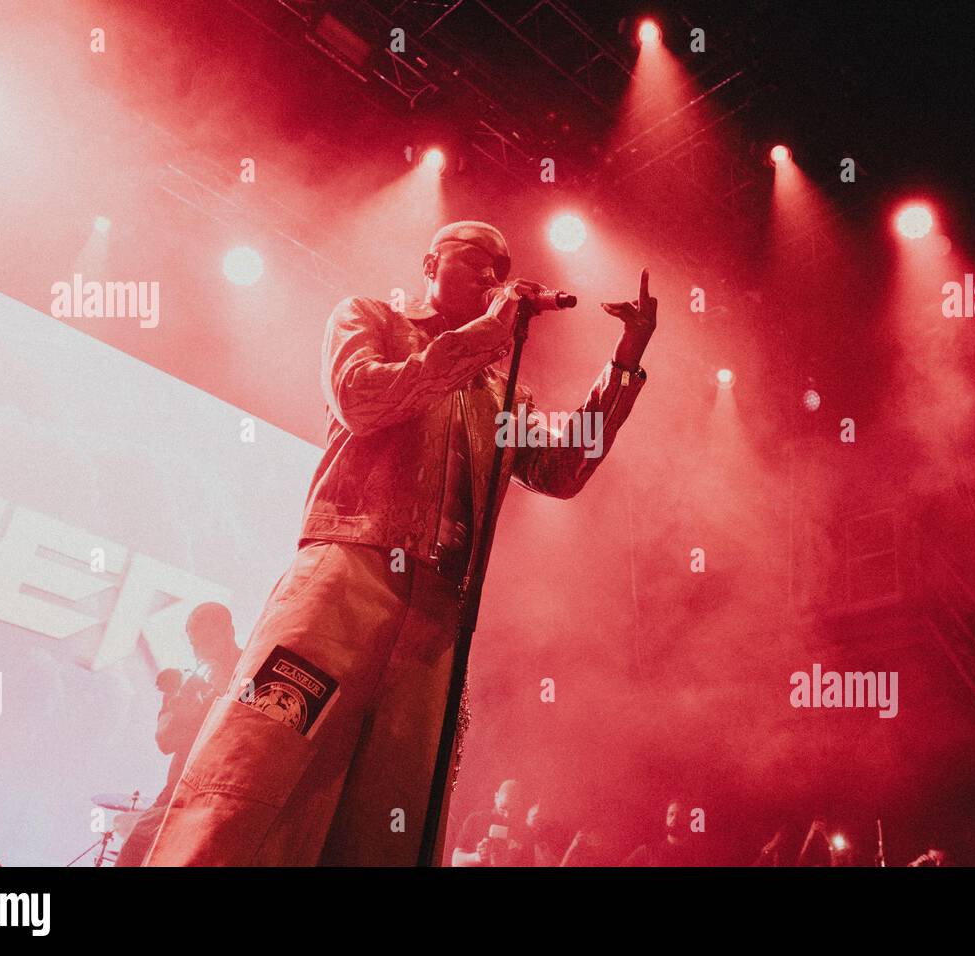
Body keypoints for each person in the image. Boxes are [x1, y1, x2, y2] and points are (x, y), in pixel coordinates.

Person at [145, 221, 654, 866]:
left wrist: (625, 360)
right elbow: (362, 399)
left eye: (501, 267)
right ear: (429, 262)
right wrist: (489, 332)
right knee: (261, 753)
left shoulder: (503, 391)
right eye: (475, 262)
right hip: (348, 570)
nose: (492, 277)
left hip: (438, 609)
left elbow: (560, 470)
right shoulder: (370, 318)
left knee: (396, 806)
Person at [115, 602, 240, 866]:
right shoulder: (186, 682)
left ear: (228, 632)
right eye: (195, 644)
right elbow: (165, 740)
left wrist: (225, 688)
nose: (200, 651)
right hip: (181, 788)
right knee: (137, 847)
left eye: (207, 641)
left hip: (231, 791)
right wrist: (186, 699)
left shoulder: (249, 671)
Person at [452, 779, 533, 866]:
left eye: (512, 810)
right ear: (496, 797)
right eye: (503, 808)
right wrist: (477, 857)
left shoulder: (524, 830)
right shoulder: (476, 820)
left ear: (519, 804)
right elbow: (456, 861)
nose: (507, 815)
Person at [622, 798, 703, 866]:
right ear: (666, 818)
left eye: (680, 815)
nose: (674, 818)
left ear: (688, 820)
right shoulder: (648, 851)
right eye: (671, 814)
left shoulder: (697, 856)